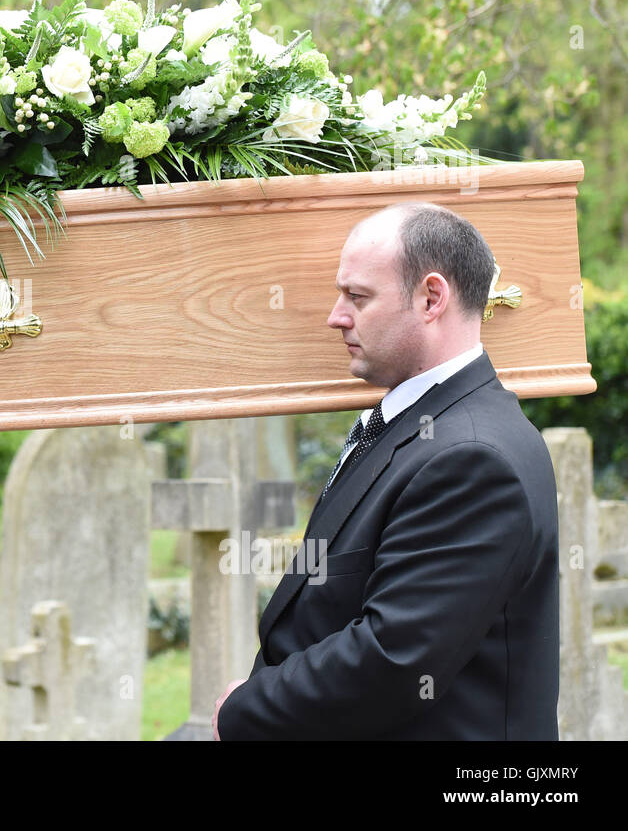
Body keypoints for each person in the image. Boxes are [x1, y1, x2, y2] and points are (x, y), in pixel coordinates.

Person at [213, 202, 559, 739]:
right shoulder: (419, 425)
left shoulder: (471, 458)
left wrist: (246, 709)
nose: (336, 316)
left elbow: (394, 660)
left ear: (431, 298)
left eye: (358, 297)